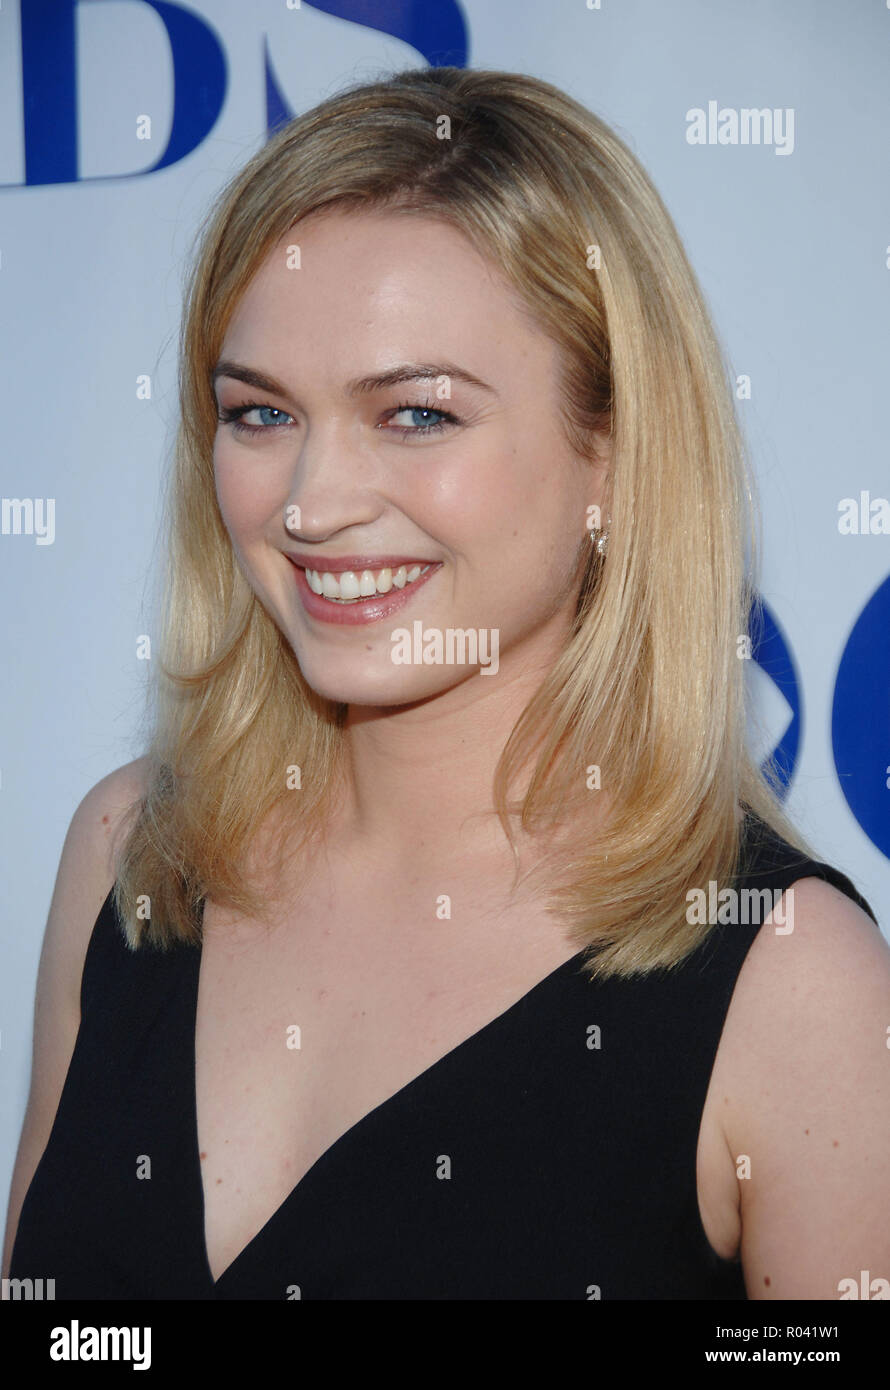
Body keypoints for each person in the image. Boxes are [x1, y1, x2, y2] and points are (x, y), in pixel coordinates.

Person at [3, 66, 888, 1302]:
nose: (309, 503)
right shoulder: (129, 854)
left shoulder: (788, 982)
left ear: (612, 463)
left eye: (415, 415)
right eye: (259, 414)